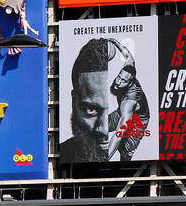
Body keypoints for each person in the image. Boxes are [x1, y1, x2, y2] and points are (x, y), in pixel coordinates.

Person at [58, 38, 150, 166]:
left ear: (130, 83)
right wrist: (117, 43)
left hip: (139, 121)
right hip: (121, 112)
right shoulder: (129, 69)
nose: (118, 82)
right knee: (104, 125)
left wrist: (105, 159)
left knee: (125, 150)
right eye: (119, 77)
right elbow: (128, 56)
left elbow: (118, 135)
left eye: (123, 81)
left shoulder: (129, 102)